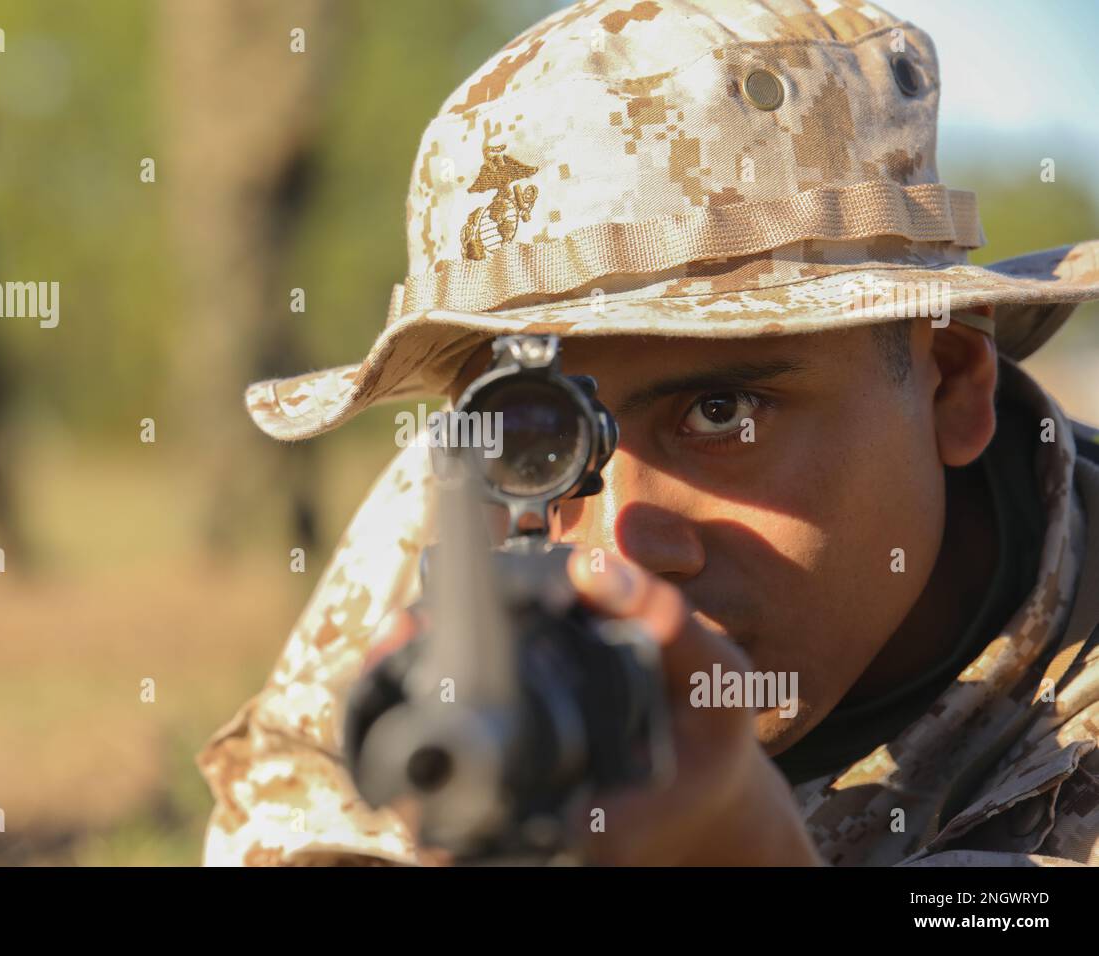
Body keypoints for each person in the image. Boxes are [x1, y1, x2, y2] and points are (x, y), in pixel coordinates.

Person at [200, 0, 1099, 866]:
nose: (616, 546)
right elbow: (292, 803)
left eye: (720, 415)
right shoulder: (488, 503)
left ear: (949, 384)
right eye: (542, 435)